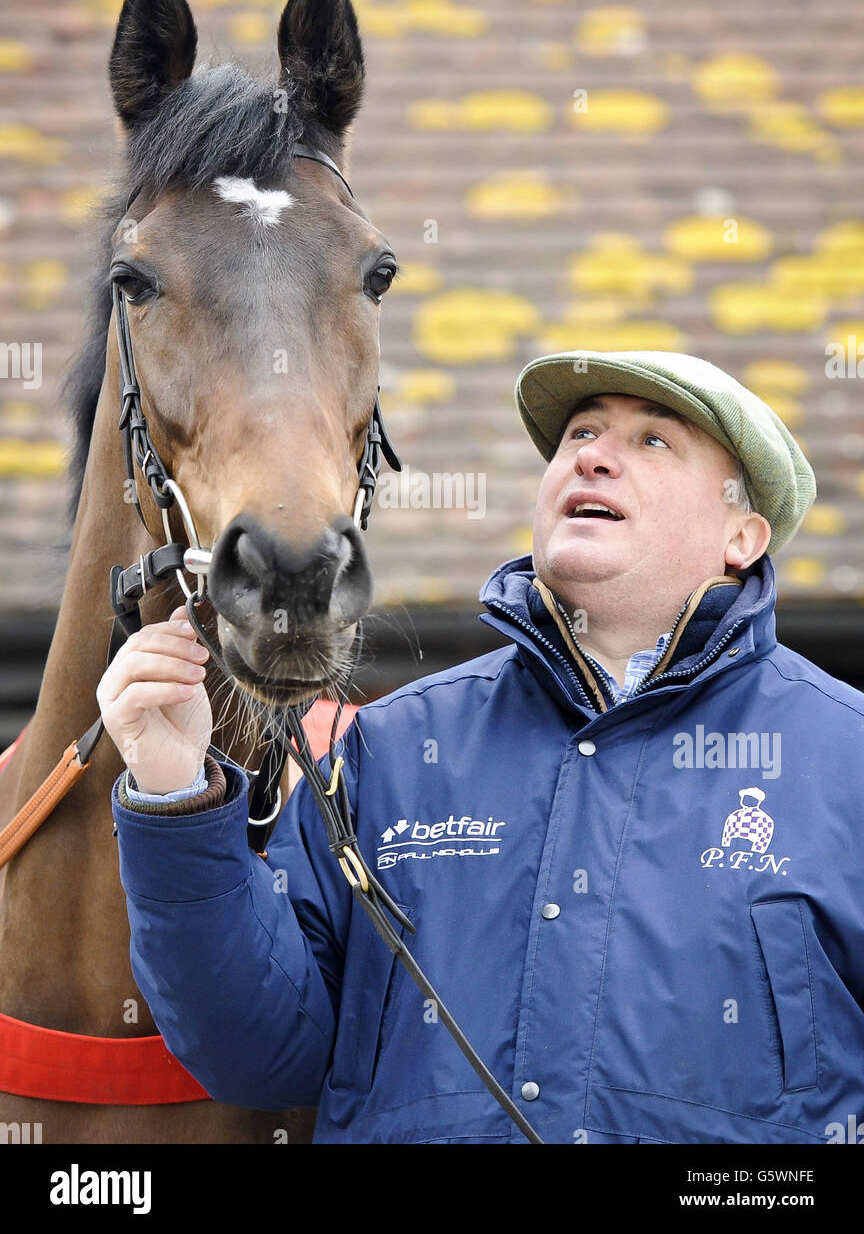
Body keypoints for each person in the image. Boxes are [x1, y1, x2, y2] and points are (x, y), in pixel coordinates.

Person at [102, 349, 864, 1145]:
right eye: (580, 434)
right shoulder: (390, 753)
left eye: (653, 442)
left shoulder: (846, 757)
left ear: (742, 534)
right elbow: (260, 1058)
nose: (593, 455)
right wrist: (175, 791)